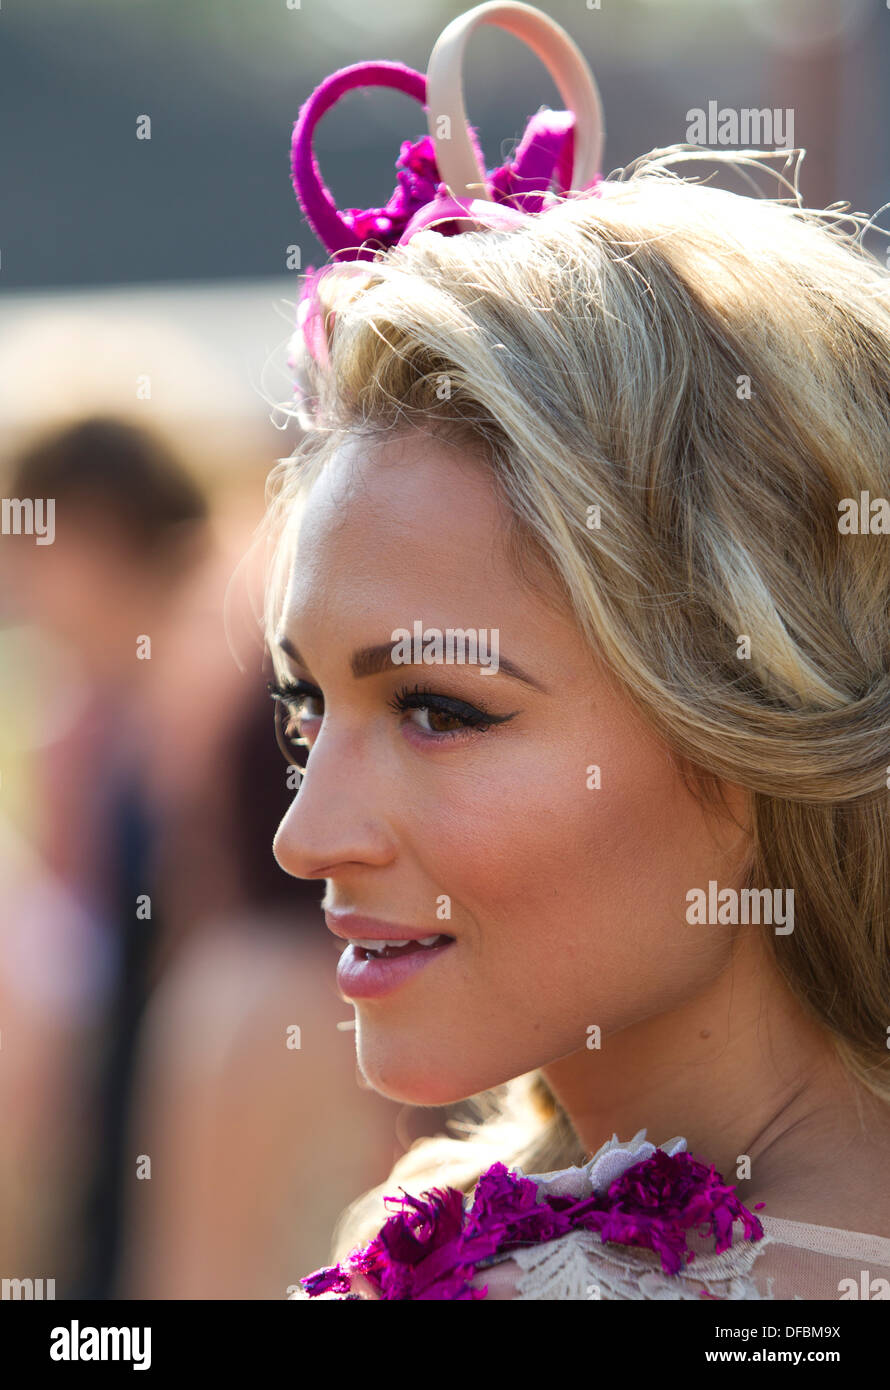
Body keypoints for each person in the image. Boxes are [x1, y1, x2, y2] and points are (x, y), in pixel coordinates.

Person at [268, 2, 890, 1299]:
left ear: (753, 714)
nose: (306, 833)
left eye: (439, 707)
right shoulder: (458, 1224)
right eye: (303, 713)